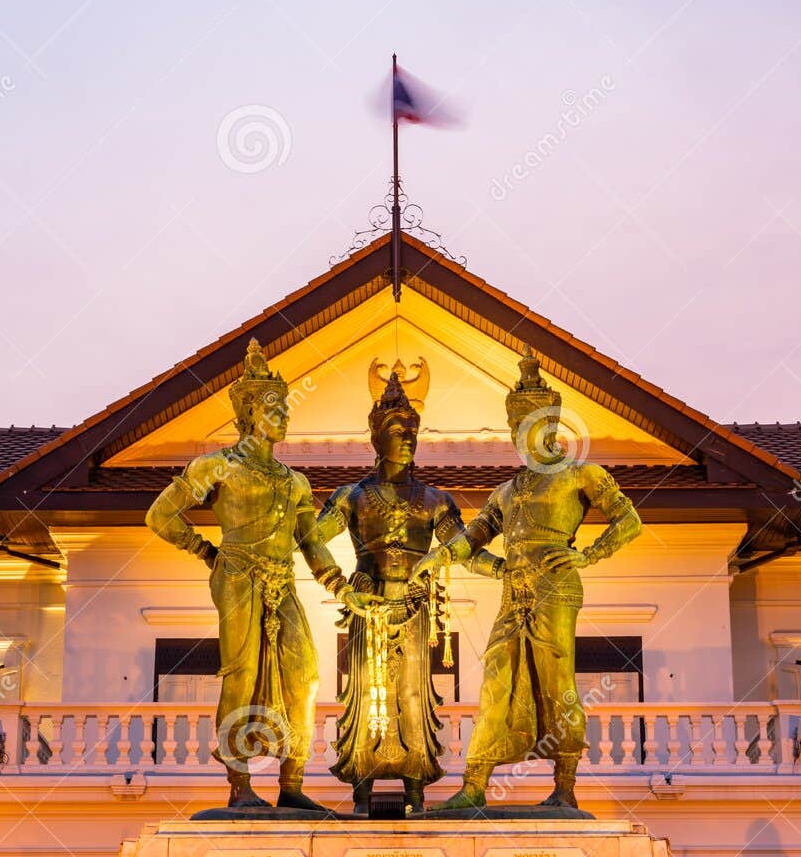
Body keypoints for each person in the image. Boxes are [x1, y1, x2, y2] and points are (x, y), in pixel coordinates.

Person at [412, 347, 641, 810]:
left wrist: (589, 555)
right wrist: (438, 556)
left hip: (556, 587)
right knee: (497, 679)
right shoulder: (507, 490)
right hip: (513, 591)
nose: (523, 438)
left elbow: (629, 519)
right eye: (517, 431)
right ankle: (474, 783)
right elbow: (474, 537)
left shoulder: (582, 474)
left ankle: (565, 787)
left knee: (558, 681)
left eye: (531, 428)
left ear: (551, 428)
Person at [145, 338, 367, 809]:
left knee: (304, 673)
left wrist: (339, 586)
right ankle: (240, 785)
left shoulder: (294, 481)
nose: (284, 414)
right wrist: (205, 550)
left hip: (282, 579)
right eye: (273, 407)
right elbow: (160, 516)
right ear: (247, 416)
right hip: (238, 576)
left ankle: (292, 785)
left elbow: (310, 540)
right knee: (242, 673)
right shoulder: (218, 467)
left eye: (285, 406)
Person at [318, 371, 498, 814]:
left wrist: (507, 569)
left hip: (415, 607)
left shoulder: (435, 499)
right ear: (376, 438)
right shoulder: (352, 496)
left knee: (414, 696)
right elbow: (312, 537)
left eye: (413, 432)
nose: (408, 440)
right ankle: (362, 788)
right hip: (368, 602)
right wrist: (338, 584)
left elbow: (461, 550)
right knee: (365, 693)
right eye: (398, 431)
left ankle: (416, 789)